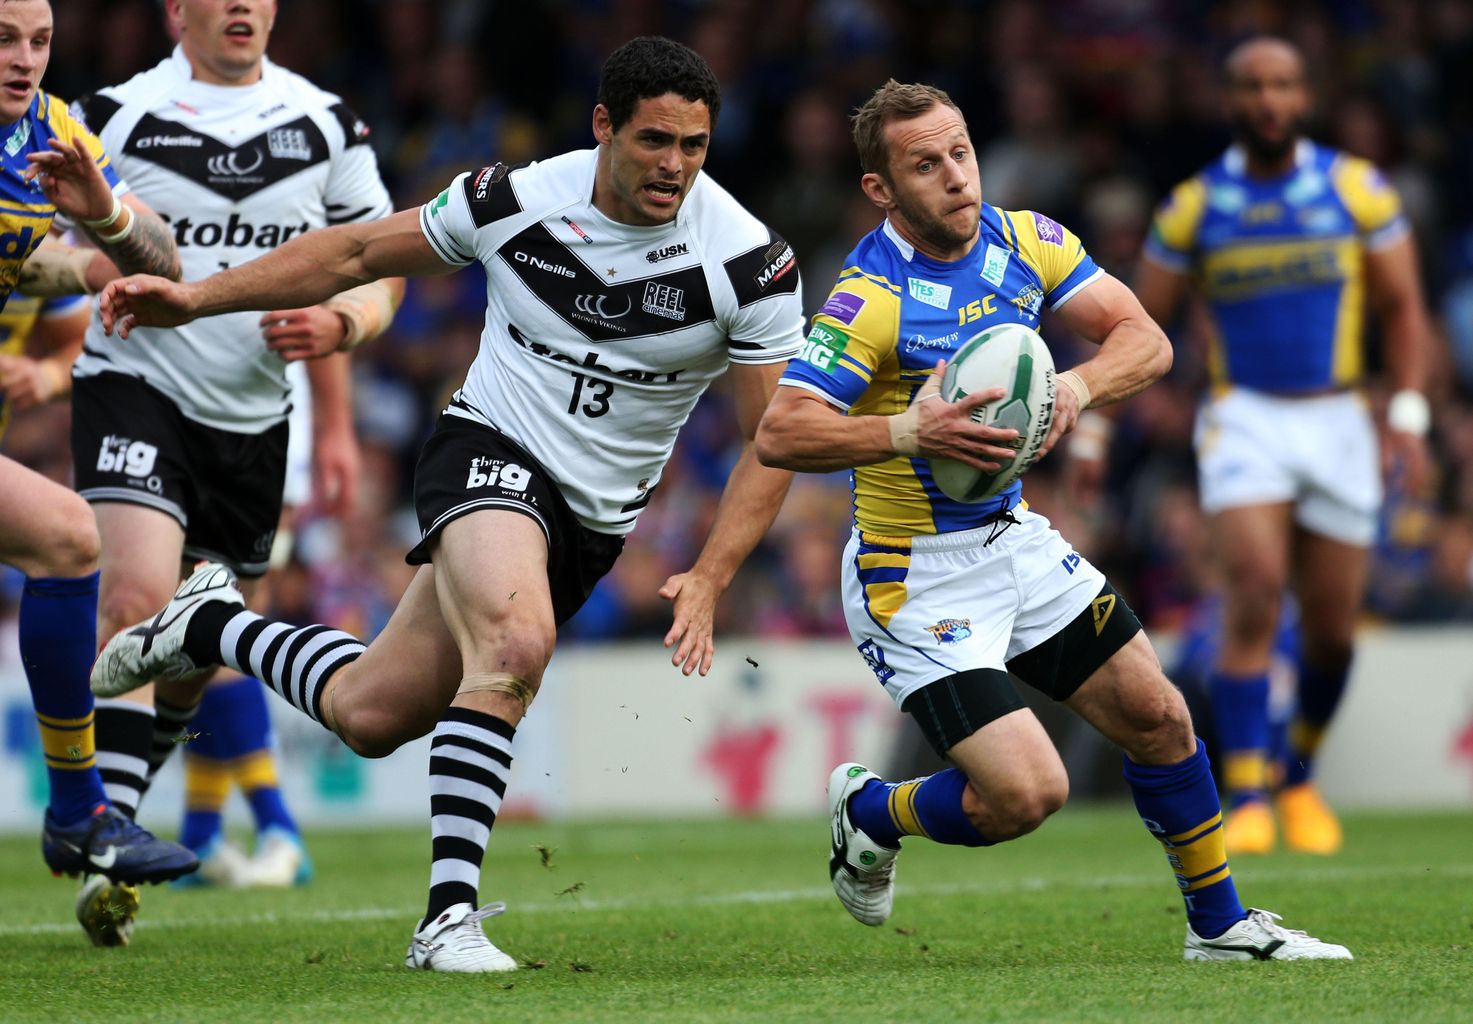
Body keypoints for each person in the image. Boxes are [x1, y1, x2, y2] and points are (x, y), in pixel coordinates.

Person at [92, 36, 804, 972]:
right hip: (488, 451)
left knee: (370, 713)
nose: (673, 165)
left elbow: (774, 438)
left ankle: (213, 623)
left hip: (590, 524)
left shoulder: (749, 262)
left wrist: (711, 576)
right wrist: (194, 299)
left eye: (693, 145)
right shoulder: (511, 200)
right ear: (602, 127)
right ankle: (447, 920)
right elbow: (349, 250)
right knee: (515, 645)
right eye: (652, 141)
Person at [754, 79, 1349, 961]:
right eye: (926, 164)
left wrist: (1074, 385)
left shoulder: (1026, 240)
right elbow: (780, 430)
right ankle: (871, 806)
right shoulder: (869, 297)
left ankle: (1218, 927)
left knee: (1160, 717)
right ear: (881, 190)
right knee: (1028, 795)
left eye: (960, 151)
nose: (957, 176)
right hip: (910, 574)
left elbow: (1146, 339)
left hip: (1014, 540)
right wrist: (905, 427)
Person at [59, 0, 395, 944]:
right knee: (134, 595)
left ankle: (119, 809)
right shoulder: (113, 114)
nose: (244, 5)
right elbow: (52, 244)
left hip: (254, 418)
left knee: (197, 655)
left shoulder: (326, 122)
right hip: (136, 383)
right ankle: (108, 838)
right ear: (179, 10)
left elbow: (376, 266)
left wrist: (344, 330)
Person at [1134, 38, 1431, 856]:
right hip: (1244, 419)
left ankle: (1296, 771)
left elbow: (1404, 308)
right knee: (1256, 592)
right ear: (1229, 101)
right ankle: (1247, 789)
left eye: (1283, 85)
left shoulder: (1355, 190)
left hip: (1337, 418)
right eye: (1252, 87)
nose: (1268, 99)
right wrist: (1101, 411)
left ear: (1304, 97)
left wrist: (1405, 415)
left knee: (1333, 632)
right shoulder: (1193, 206)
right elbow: (1136, 317)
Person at [0, 0, 199, 943]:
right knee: (71, 535)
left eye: (38, 39)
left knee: (66, 540)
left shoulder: (53, 131)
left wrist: (104, 225)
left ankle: (78, 810)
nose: (24, 59)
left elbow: (161, 253)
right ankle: (78, 810)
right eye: (3, 38)